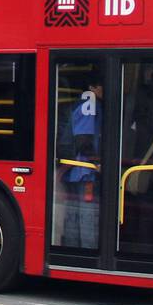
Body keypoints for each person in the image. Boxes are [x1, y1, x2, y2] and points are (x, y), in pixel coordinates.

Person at [61, 83, 103, 250]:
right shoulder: (89, 101)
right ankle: (88, 252)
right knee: (87, 214)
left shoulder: (78, 102)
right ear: (93, 88)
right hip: (85, 170)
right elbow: (84, 138)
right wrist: (96, 161)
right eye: (101, 86)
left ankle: (71, 250)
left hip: (71, 168)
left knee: (72, 212)